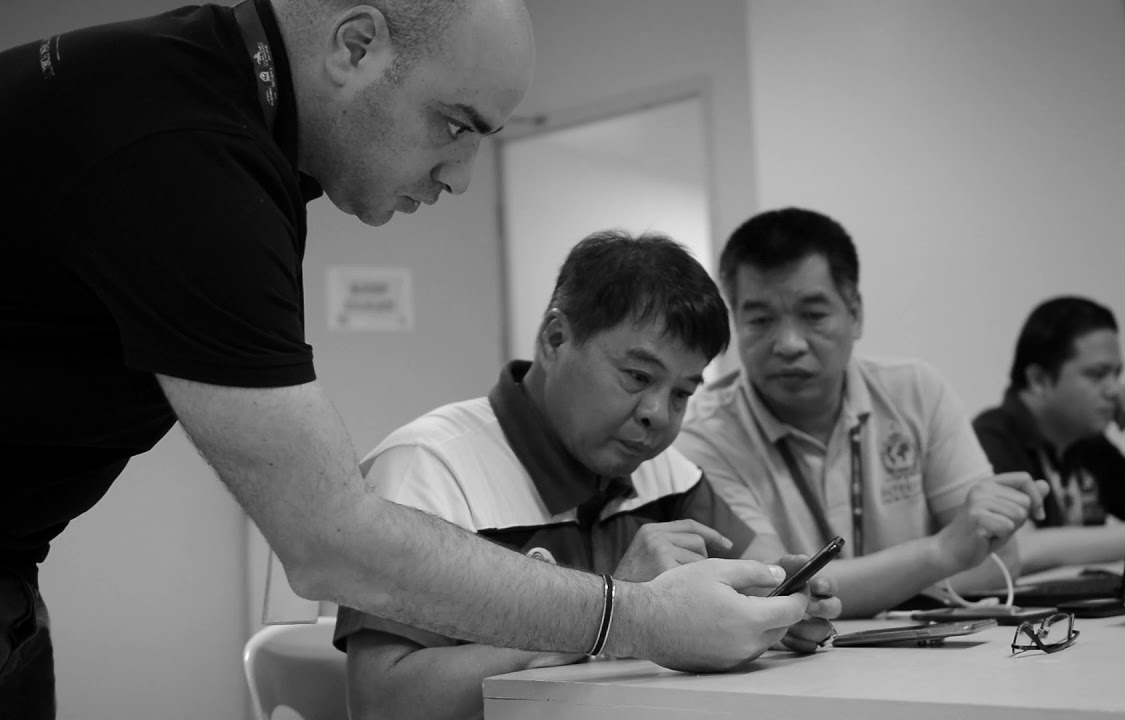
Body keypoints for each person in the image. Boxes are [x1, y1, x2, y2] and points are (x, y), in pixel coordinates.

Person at [0, 1, 805, 713]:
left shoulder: (201, 99)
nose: (461, 177)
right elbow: (330, 542)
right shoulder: (185, 157)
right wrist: (638, 616)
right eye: (455, 125)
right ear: (355, 46)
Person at [335, 231, 840, 720]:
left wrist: (776, 613)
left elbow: (758, 569)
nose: (658, 414)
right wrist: (622, 609)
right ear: (555, 339)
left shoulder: (665, 473)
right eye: (638, 377)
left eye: (682, 393)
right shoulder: (427, 469)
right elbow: (382, 705)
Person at [674, 208, 1049, 618]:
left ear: (855, 313)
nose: (789, 344)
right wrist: (941, 554)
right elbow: (772, 592)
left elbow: (996, 560)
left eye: (814, 315)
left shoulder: (915, 391)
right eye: (760, 320)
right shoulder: (702, 436)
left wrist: (867, 588)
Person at [973, 296, 1125, 574]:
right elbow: (1017, 548)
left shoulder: (1087, 442)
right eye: (1097, 375)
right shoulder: (991, 438)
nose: (1115, 390)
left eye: (1117, 374)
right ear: (1039, 380)